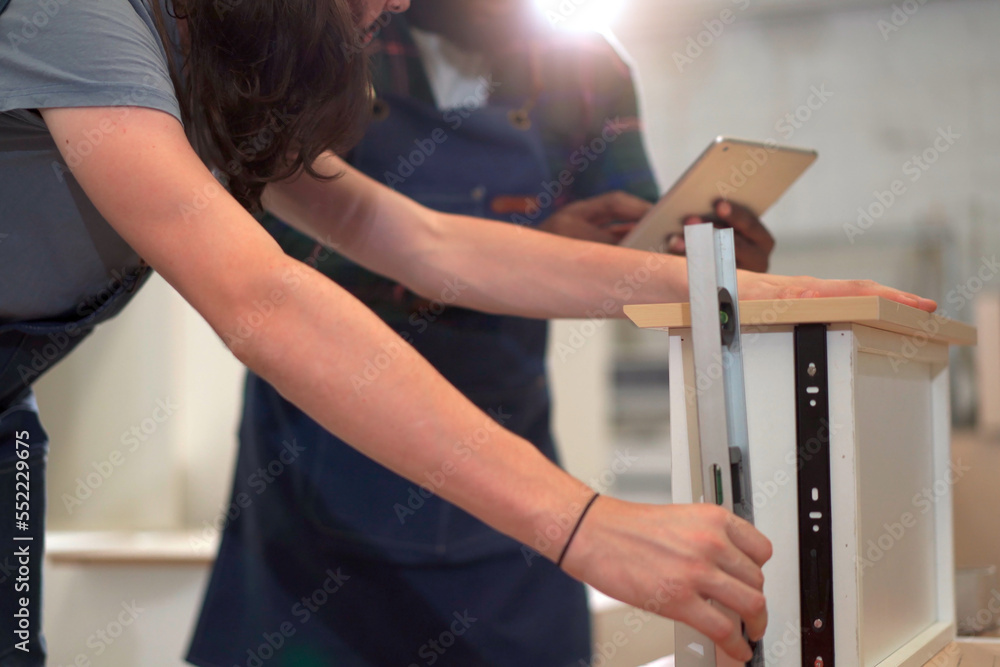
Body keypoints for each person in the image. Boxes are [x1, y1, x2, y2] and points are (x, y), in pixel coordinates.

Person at [0, 0, 934, 664]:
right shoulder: (82, 18)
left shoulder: (206, 75)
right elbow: (265, 301)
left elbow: (429, 242)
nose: (398, 2)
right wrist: (586, 523)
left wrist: (728, 290)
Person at [186, 2, 779, 666]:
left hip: (507, 489)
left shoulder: (587, 72)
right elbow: (277, 254)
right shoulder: (332, 37)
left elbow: (620, 260)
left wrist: (702, 271)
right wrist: (530, 249)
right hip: (314, 491)